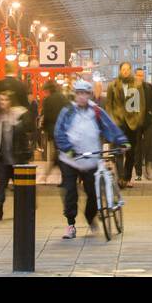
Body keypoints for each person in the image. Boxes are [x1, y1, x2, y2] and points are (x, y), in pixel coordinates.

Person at [54, 79, 129, 239]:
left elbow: (110, 127)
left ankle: (90, 217)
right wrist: (68, 150)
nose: (82, 97)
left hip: (91, 158)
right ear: (75, 94)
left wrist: (121, 141)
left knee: (93, 193)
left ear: (89, 95)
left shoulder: (96, 111)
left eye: (85, 93)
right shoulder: (67, 111)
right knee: (70, 192)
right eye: (79, 93)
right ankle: (71, 225)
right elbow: (59, 133)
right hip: (70, 159)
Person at [0, 91, 33, 221]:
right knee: (1, 186)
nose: (2, 103)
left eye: (5, 100)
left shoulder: (17, 116)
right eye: (0, 100)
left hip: (17, 158)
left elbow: (26, 134)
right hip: (2, 160)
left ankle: (22, 211)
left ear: (10, 102)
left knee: (20, 188)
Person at [106, 62, 149, 187]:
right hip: (118, 122)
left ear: (130, 70)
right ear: (120, 71)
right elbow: (109, 104)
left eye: (127, 69)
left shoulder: (137, 85)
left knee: (131, 152)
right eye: (123, 69)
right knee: (119, 151)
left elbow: (141, 104)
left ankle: (127, 177)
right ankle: (120, 178)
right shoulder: (112, 85)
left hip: (132, 123)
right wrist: (111, 120)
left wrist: (138, 119)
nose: (125, 71)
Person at [40, 80, 68, 184]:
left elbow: (47, 117)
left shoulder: (48, 100)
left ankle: (64, 178)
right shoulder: (63, 97)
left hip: (54, 131)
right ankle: (65, 178)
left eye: (44, 91)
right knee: (61, 154)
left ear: (47, 90)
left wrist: (43, 127)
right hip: (65, 130)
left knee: (58, 155)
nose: (44, 94)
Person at [134, 68, 152, 178]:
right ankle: (138, 172)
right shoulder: (130, 88)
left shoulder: (149, 87)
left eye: (141, 75)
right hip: (135, 122)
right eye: (138, 75)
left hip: (147, 121)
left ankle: (148, 167)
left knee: (148, 145)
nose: (140, 77)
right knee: (137, 147)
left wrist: (151, 112)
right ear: (135, 76)